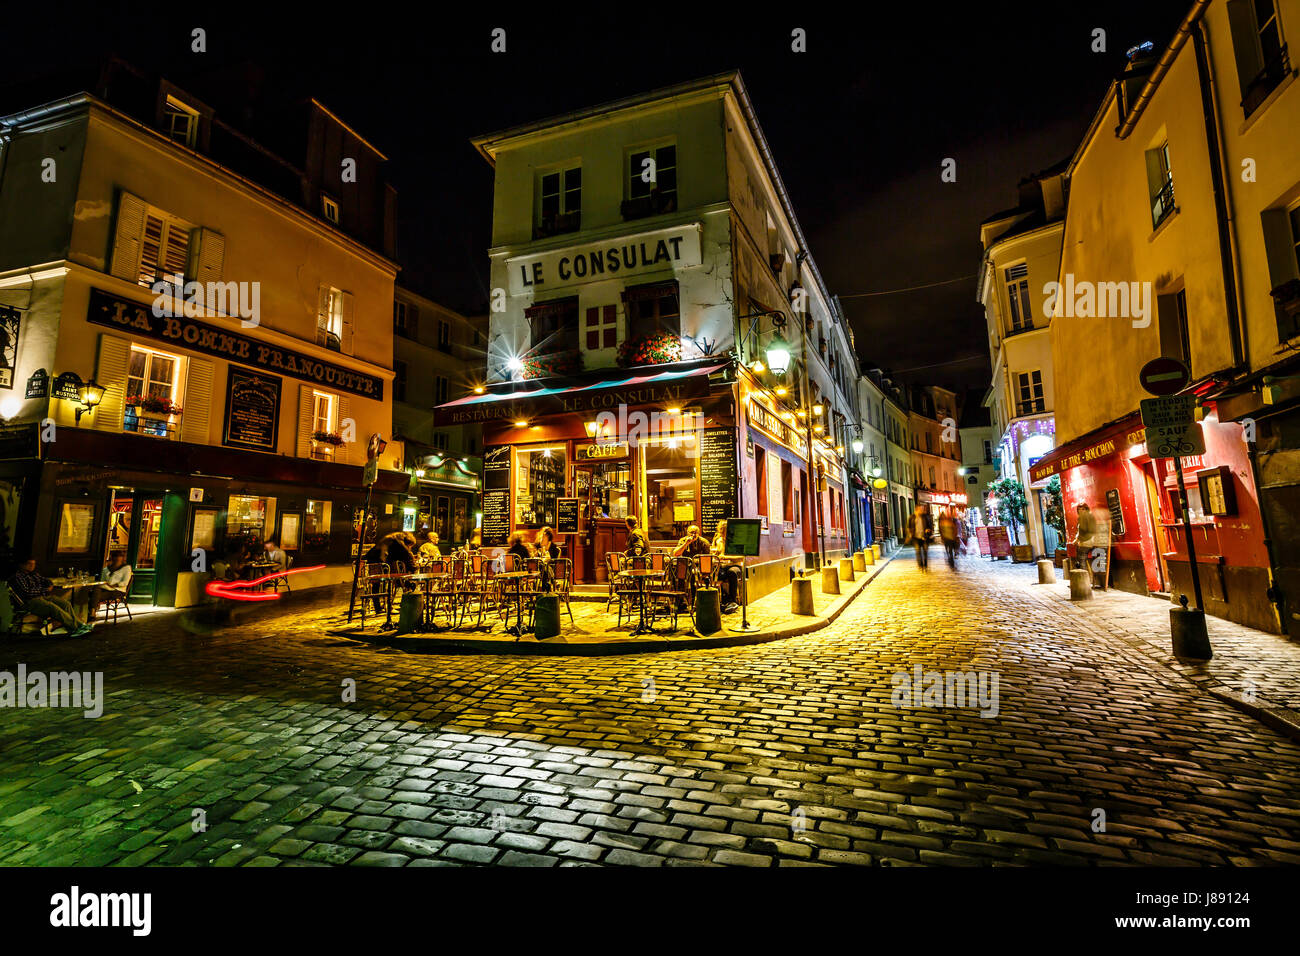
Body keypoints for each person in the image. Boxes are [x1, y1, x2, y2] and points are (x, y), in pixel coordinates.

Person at [9, 557, 91, 637]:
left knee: (65, 604)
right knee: (53, 608)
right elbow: (27, 593)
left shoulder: (33, 574)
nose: (32, 566)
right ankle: (75, 628)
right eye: (29, 564)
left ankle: (80, 625)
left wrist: (49, 584)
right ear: (22, 565)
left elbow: (46, 580)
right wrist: (45, 590)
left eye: (34, 564)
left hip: (41, 597)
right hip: (29, 601)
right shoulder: (18, 576)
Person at [710, 519, 742, 613]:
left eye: (725, 532)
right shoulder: (718, 540)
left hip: (734, 565)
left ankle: (732, 601)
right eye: (721, 532)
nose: (723, 535)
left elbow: (741, 557)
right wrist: (714, 553)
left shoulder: (736, 540)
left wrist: (726, 557)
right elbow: (713, 551)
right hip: (721, 565)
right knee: (714, 575)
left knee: (732, 573)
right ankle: (724, 598)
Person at [89, 553, 132, 618]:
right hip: (105, 588)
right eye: (115, 558)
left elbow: (125, 582)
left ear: (122, 559)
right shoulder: (106, 569)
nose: (117, 560)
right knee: (95, 589)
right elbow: (102, 580)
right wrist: (105, 583)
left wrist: (116, 585)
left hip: (118, 590)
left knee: (92, 595)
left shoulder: (126, 568)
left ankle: (92, 611)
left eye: (119, 558)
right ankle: (92, 611)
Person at [1073, 503, 1101, 587]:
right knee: (1089, 561)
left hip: (1086, 542)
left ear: (1086, 509)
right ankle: (1093, 581)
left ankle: (1084, 582)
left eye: (1082, 509)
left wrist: (1076, 540)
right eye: (1079, 510)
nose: (1081, 511)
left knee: (1081, 561)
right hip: (1093, 542)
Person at [908, 506, 930, 571]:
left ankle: (925, 565)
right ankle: (920, 565)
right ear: (916, 510)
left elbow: (929, 525)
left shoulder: (925, 517)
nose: (922, 510)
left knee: (925, 552)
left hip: (924, 537)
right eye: (921, 509)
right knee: (918, 552)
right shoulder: (912, 517)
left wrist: (928, 530)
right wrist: (910, 533)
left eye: (922, 509)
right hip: (916, 537)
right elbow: (908, 526)